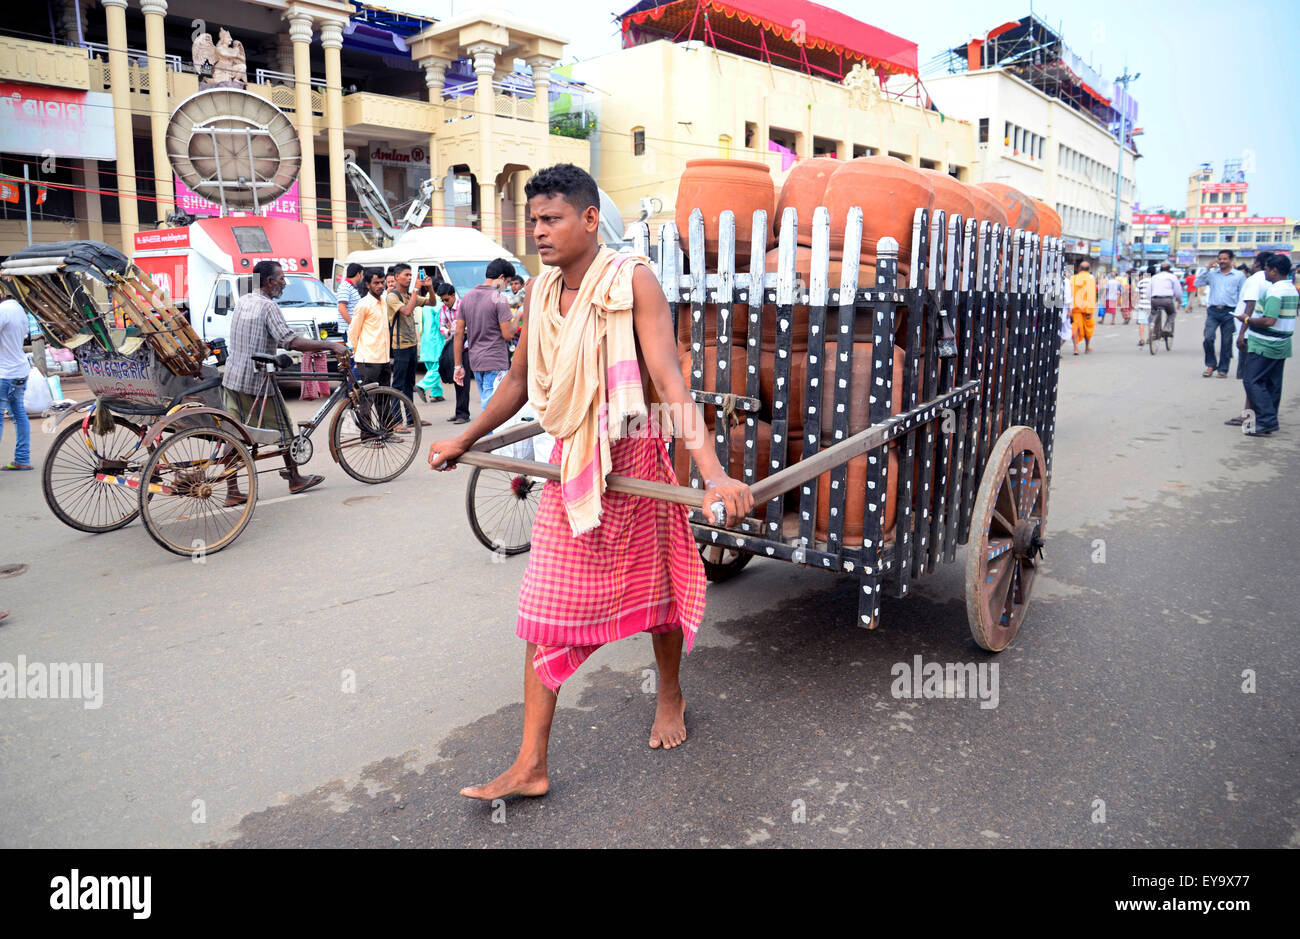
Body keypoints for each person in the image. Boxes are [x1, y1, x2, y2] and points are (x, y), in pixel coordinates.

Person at [428, 163, 753, 799]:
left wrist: (714, 476)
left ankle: (670, 694)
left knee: (658, 589)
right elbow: (520, 382)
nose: (539, 233)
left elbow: (669, 379)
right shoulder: (543, 293)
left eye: (551, 220)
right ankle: (531, 764)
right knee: (542, 612)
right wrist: (463, 437)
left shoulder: (632, 281)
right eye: (534, 222)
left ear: (588, 220)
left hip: (635, 461)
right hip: (572, 466)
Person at [222, 260, 347, 495]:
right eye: (281, 278)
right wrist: (330, 345)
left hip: (233, 377)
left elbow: (264, 337)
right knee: (284, 429)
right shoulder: (268, 307)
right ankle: (295, 478)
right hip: (256, 381)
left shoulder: (245, 300)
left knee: (233, 432)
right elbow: (292, 341)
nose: (284, 283)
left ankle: (232, 491)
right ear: (269, 282)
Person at [1238, 254, 1296, 437]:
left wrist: (1246, 319)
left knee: (1252, 380)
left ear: (1274, 270)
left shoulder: (1275, 292)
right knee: (1272, 383)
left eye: (1267, 269)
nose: (1265, 273)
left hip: (1266, 344)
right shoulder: (1291, 289)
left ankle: (1266, 420)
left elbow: (1269, 320)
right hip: (1281, 343)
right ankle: (1268, 420)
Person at [453, 258, 516, 412]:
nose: (506, 287)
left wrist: (458, 366)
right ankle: (489, 436)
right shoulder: (499, 299)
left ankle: (489, 435)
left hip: (476, 362)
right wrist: (519, 319)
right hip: (495, 362)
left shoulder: (467, 297)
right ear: (501, 278)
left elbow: (458, 334)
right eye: (507, 282)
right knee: (493, 410)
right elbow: (508, 334)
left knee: (488, 403)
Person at [1225, 251, 1275, 426]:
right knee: (1259, 377)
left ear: (1259, 265)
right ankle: (1261, 413)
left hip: (1250, 333)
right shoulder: (1274, 282)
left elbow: (1250, 305)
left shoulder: (1255, 279)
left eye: (1254, 262)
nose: (1252, 266)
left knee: (1250, 378)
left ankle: (1249, 415)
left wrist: (1241, 334)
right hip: (1262, 333)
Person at [385, 263, 433, 429]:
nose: (410, 278)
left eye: (411, 275)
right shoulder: (393, 296)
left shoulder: (408, 294)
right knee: (398, 385)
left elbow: (432, 302)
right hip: (400, 345)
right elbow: (406, 311)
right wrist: (415, 290)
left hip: (412, 344)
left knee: (408, 384)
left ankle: (412, 419)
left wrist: (430, 287)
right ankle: (396, 421)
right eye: (406, 275)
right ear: (397, 277)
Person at [1196, 250, 1246, 378]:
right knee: (1208, 337)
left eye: (1225, 259)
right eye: (1220, 259)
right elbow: (1197, 283)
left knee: (1227, 341)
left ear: (1231, 260)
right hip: (1213, 310)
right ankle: (1211, 364)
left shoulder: (1239, 276)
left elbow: (1242, 295)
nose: (1222, 261)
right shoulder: (1212, 274)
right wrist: (1207, 268)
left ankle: (1223, 369)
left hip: (1230, 311)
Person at [0, 294, 33, 471]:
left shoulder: (3, 310)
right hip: (20, 370)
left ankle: (22, 459)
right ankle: (22, 458)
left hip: (5, 373)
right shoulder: (19, 309)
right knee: (18, 414)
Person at [436, 284, 472, 424]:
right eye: (442, 300)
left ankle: (463, 414)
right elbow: (442, 327)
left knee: (464, 380)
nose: (444, 303)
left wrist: (456, 329)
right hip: (452, 345)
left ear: (453, 296)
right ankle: (459, 412)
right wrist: (453, 331)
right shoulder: (444, 309)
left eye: (446, 300)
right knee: (457, 379)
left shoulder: (463, 306)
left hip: (465, 346)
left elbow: (468, 327)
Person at [414, 290, 446, 403]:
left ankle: (436, 394)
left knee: (432, 368)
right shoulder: (438, 304)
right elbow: (440, 324)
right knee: (439, 367)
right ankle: (422, 385)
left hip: (425, 340)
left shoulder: (423, 304)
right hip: (436, 340)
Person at [1148, 262, 1181, 344]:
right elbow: (1178, 292)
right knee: (1172, 314)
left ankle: (1154, 329)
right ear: (1169, 269)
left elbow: (1148, 291)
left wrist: (1149, 300)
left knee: (1154, 314)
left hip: (1155, 300)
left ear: (1160, 269)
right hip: (1167, 300)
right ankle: (1167, 327)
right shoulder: (1172, 277)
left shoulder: (1154, 277)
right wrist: (1179, 300)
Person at [1070, 260, 1097, 355]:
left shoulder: (1073, 278)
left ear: (1079, 269)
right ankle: (1087, 347)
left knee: (1075, 327)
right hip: (1086, 308)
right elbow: (1091, 295)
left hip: (1075, 307)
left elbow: (1071, 293)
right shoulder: (1091, 279)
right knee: (1088, 327)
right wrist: (1090, 310)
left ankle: (1076, 348)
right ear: (1089, 269)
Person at [336, 262, 365, 326]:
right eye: (362, 274)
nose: (363, 277)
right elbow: (341, 307)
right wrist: (352, 324)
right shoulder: (345, 287)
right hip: (348, 330)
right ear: (358, 274)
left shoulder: (352, 287)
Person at [1135, 265, 1153, 346]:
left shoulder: (1141, 282)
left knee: (1141, 323)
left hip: (1142, 305)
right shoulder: (1154, 281)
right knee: (1151, 323)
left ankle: (1141, 339)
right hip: (1152, 305)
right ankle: (1149, 338)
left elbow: (1136, 294)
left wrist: (1135, 304)